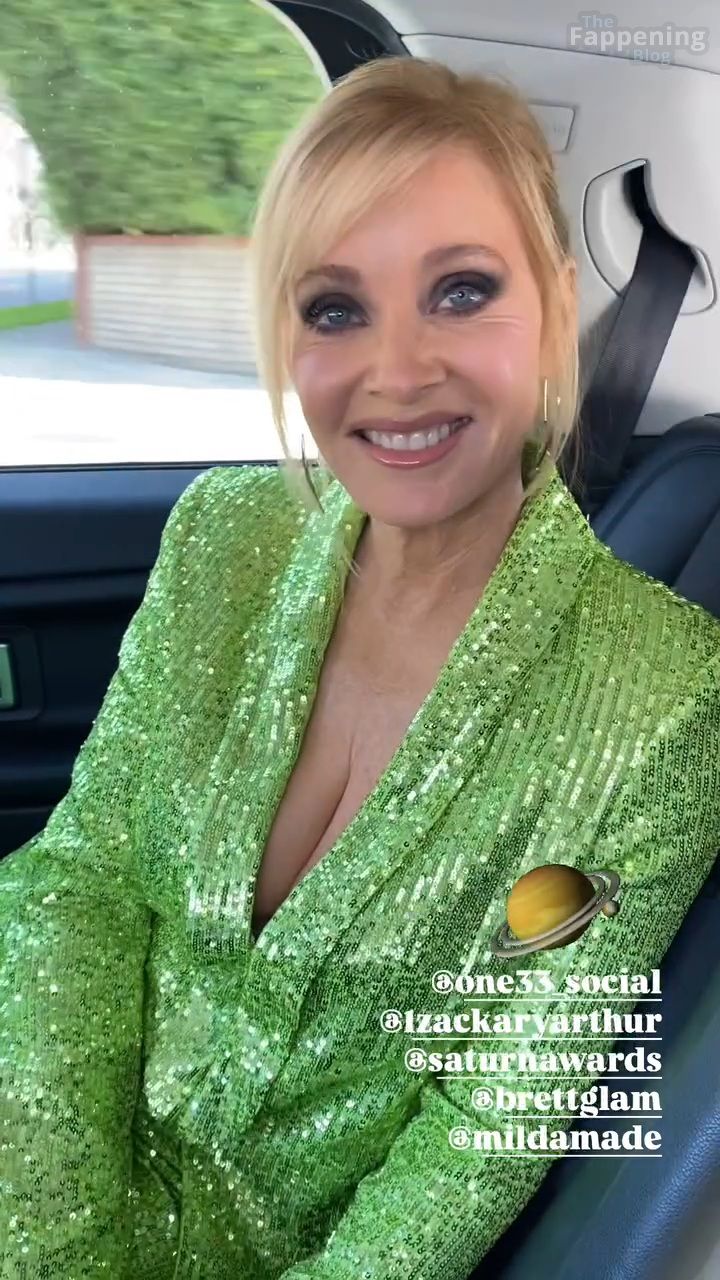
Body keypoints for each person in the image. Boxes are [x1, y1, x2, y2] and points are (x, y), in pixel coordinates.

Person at [1, 55, 719, 1280]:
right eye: (335, 308)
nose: (397, 370)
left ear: (555, 308)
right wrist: (58, 1237)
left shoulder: (664, 698)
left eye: (461, 291)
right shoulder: (222, 538)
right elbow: (81, 880)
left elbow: (487, 1122)